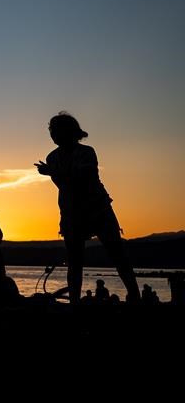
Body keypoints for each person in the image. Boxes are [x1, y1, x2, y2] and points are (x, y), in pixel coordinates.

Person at [35, 112, 140, 303]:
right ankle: (74, 303)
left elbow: (83, 178)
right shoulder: (52, 157)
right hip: (71, 213)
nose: (52, 134)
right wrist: (54, 172)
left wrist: (53, 172)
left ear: (69, 131)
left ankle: (135, 297)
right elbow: (63, 184)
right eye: (51, 131)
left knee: (117, 254)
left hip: (98, 208)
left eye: (56, 130)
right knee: (74, 261)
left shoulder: (87, 152)